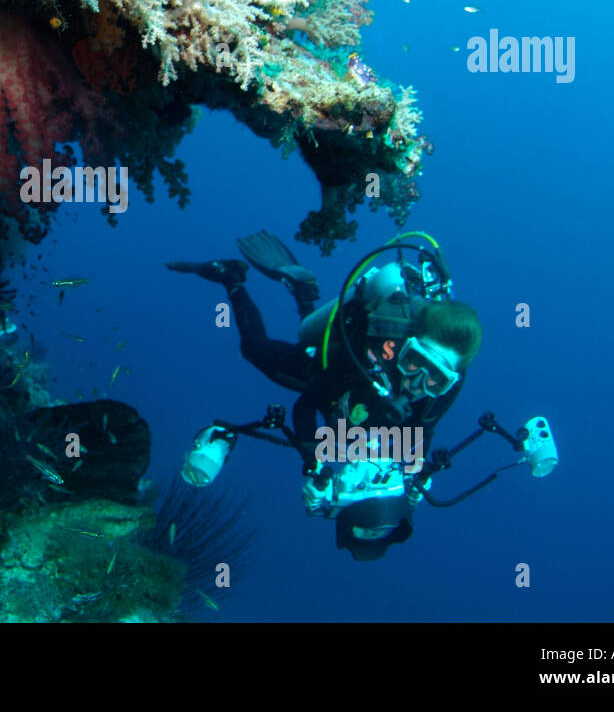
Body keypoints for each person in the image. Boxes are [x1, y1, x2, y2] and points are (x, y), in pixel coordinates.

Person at [168, 230, 483, 559]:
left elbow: (424, 428)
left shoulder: (446, 390)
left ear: (452, 380)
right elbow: (305, 406)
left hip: (354, 407)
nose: (418, 383)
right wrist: (311, 460)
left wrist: (415, 470)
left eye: (435, 379)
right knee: (257, 349)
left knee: (357, 411)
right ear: (405, 345)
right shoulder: (366, 358)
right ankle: (231, 278)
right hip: (338, 370)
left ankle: (303, 291)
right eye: (415, 362)